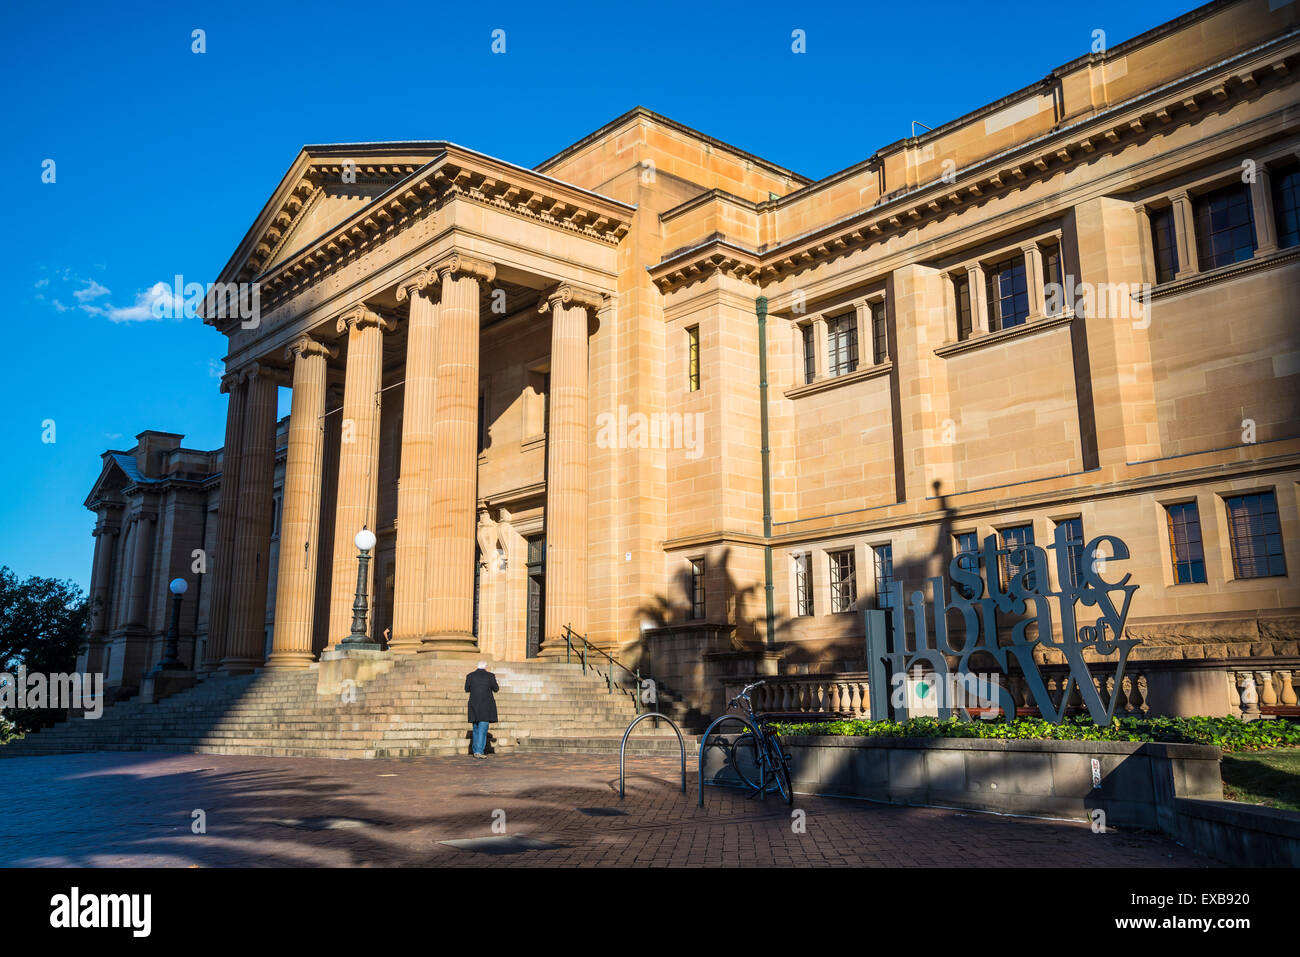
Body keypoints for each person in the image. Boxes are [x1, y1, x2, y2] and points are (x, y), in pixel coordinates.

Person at [464, 662, 499, 759]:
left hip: (474, 705)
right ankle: (478, 751)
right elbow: (496, 689)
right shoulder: (490, 676)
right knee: (482, 730)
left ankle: (476, 750)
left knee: (476, 728)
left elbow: (466, 689)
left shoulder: (470, 676)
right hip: (485, 706)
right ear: (486, 667)